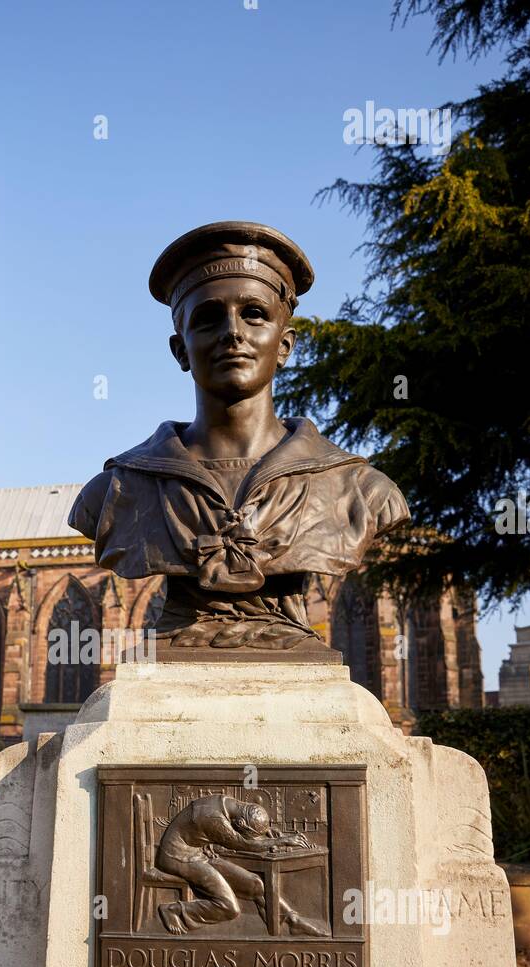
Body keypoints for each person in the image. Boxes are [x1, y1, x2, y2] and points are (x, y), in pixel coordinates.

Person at [69, 222, 409, 653]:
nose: (233, 331)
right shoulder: (114, 493)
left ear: (284, 345)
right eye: (208, 317)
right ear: (180, 351)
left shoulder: (362, 491)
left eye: (254, 313)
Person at [155, 794, 327, 937]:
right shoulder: (213, 817)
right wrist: (282, 841)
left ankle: (292, 921)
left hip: (199, 853)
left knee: (255, 884)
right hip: (178, 857)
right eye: (249, 833)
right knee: (230, 908)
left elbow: (242, 832)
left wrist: (266, 830)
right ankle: (173, 910)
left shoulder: (228, 804)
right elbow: (243, 844)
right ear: (240, 824)